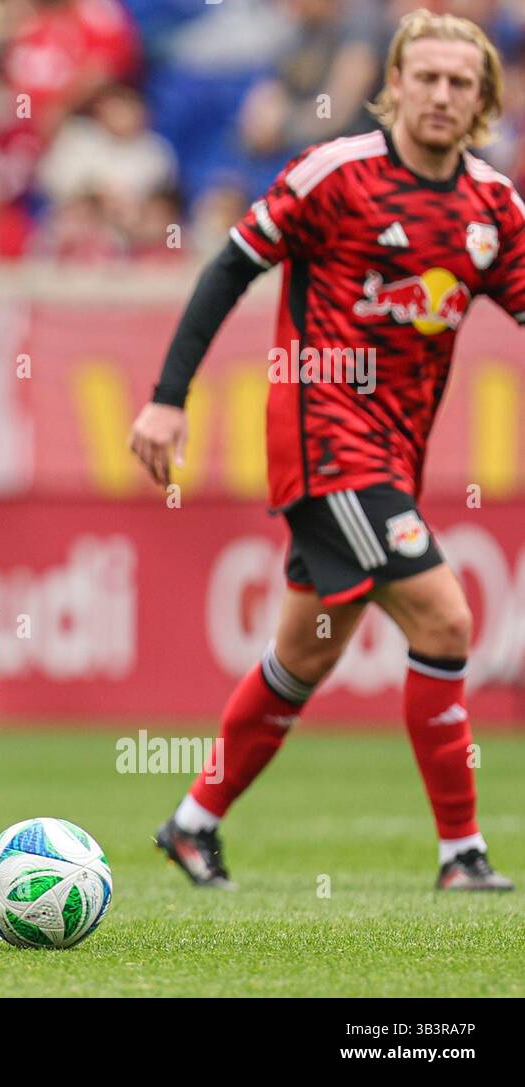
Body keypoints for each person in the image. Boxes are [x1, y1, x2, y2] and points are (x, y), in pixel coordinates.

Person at [129, 9, 520, 892]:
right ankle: (462, 854)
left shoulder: (492, 208)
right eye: (427, 78)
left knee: (305, 651)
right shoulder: (336, 174)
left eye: (462, 84)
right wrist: (165, 400)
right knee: (447, 619)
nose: (442, 96)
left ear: (485, 100)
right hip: (326, 441)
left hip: (393, 457)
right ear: (396, 83)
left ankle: (192, 823)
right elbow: (229, 265)